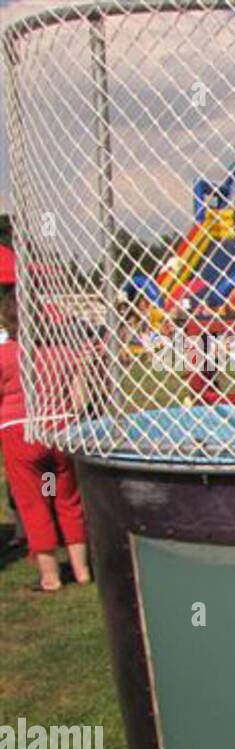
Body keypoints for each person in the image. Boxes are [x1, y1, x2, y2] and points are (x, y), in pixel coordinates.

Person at [0, 246, 92, 593]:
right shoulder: (65, 353)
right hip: (60, 431)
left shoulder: (5, 355)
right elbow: (80, 398)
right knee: (66, 500)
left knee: (34, 503)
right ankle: (81, 569)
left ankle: (50, 575)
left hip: (21, 435)